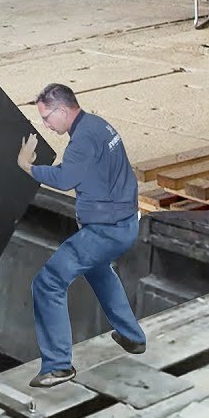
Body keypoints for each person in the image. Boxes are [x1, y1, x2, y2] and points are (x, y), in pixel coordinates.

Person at [17, 83, 146, 388]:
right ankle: (132, 336)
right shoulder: (99, 126)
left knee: (47, 283)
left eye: (46, 117)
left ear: (62, 110)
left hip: (104, 231)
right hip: (125, 223)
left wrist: (28, 167)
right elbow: (82, 169)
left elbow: (64, 179)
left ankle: (59, 366)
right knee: (100, 272)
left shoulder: (82, 141)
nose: (46, 125)